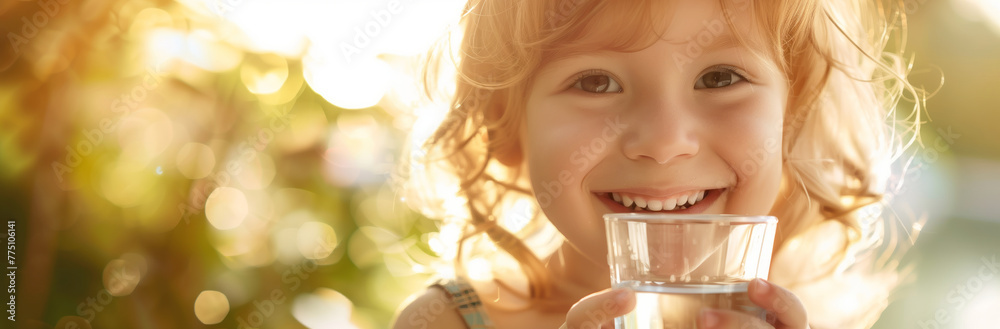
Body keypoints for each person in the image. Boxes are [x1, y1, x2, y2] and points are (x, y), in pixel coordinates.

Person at [392, 0, 924, 328]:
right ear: (506, 125)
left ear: (794, 114)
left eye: (720, 78)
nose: (666, 143)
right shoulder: (445, 322)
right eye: (595, 82)